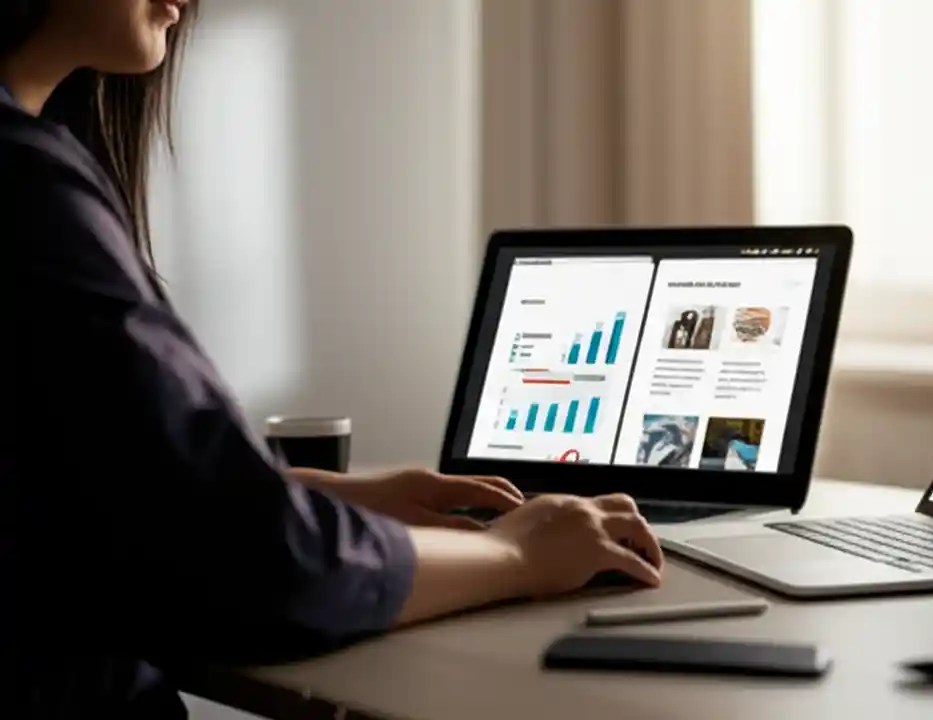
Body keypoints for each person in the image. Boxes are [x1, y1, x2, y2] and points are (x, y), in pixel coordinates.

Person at [1, 1, 662, 716]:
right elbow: (258, 564)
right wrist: (517, 556)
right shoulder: (21, 188)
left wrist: (329, 497)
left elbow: (79, 485)